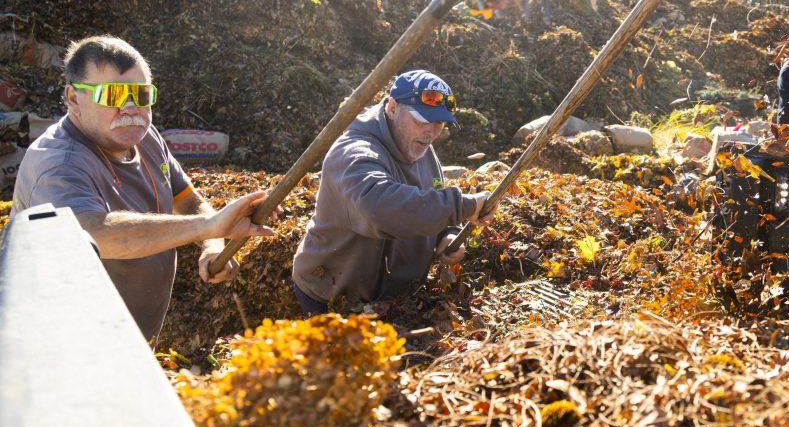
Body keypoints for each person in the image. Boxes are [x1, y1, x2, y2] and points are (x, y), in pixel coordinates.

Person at [12, 35, 274, 343]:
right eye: (113, 95)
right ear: (73, 98)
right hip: (63, 343)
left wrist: (212, 244)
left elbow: (187, 200)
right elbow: (93, 235)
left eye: (141, 94)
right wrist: (209, 225)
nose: (130, 108)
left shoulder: (144, 137)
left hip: (130, 337)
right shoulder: (59, 163)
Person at [292, 70, 492, 314]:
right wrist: (463, 206)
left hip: (392, 299)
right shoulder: (354, 152)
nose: (430, 132)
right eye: (422, 120)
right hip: (334, 295)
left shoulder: (421, 146)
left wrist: (447, 235)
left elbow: (433, 196)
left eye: (439, 123)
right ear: (393, 106)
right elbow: (380, 208)